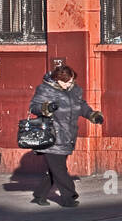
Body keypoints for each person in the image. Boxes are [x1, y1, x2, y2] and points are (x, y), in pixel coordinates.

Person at [27, 64, 103, 207]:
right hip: (51, 136)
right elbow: (33, 106)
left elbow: (81, 105)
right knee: (59, 169)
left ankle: (39, 195)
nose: (70, 84)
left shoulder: (75, 90)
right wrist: (46, 108)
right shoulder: (45, 89)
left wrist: (92, 115)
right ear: (57, 79)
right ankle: (69, 197)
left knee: (55, 169)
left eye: (71, 81)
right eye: (66, 82)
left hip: (68, 135)